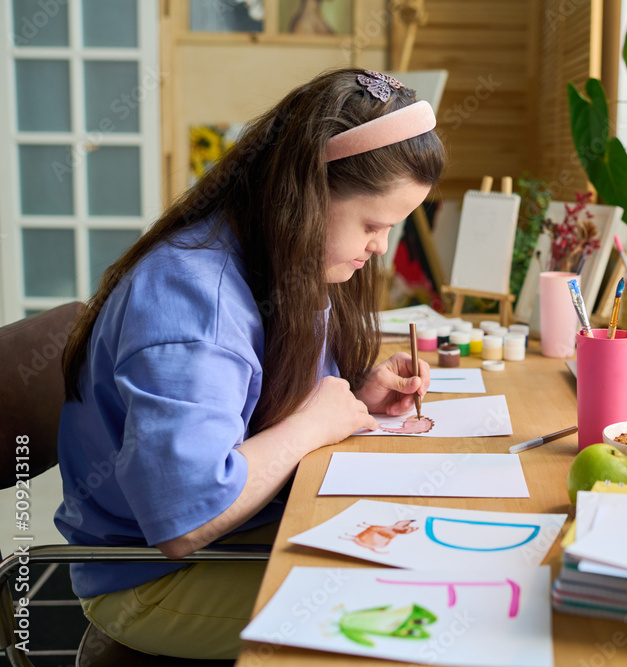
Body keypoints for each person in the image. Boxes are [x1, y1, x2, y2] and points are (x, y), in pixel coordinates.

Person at [55, 68, 444, 659]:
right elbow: (185, 518)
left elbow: (252, 403)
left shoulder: (273, 256)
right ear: (309, 196)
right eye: (373, 224)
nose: (380, 247)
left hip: (235, 535)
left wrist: (351, 402)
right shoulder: (193, 304)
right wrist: (311, 426)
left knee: (417, 566)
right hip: (147, 581)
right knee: (411, 614)